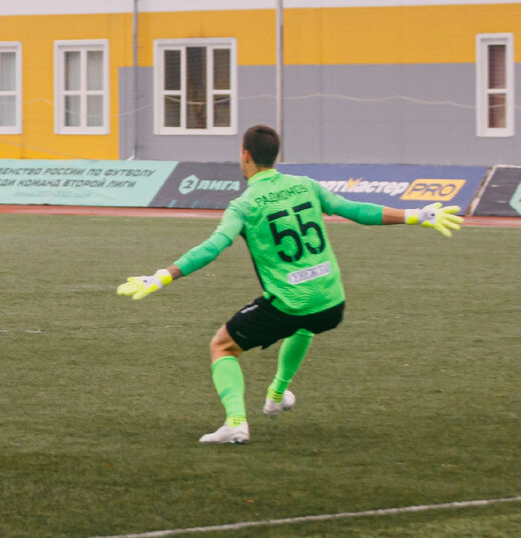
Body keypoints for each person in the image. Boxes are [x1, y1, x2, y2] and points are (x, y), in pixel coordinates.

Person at [117, 124, 463, 445]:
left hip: (289, 303)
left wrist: (163, 276)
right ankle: (277, 396)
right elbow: (355, 209)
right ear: (275, 156)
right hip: (331, 303)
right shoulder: (306, 185)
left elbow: (213, 246)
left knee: (222, 346)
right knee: (304, 323)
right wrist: (417, 215)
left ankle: (236, 422)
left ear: (245, 154)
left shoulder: (245, 204)